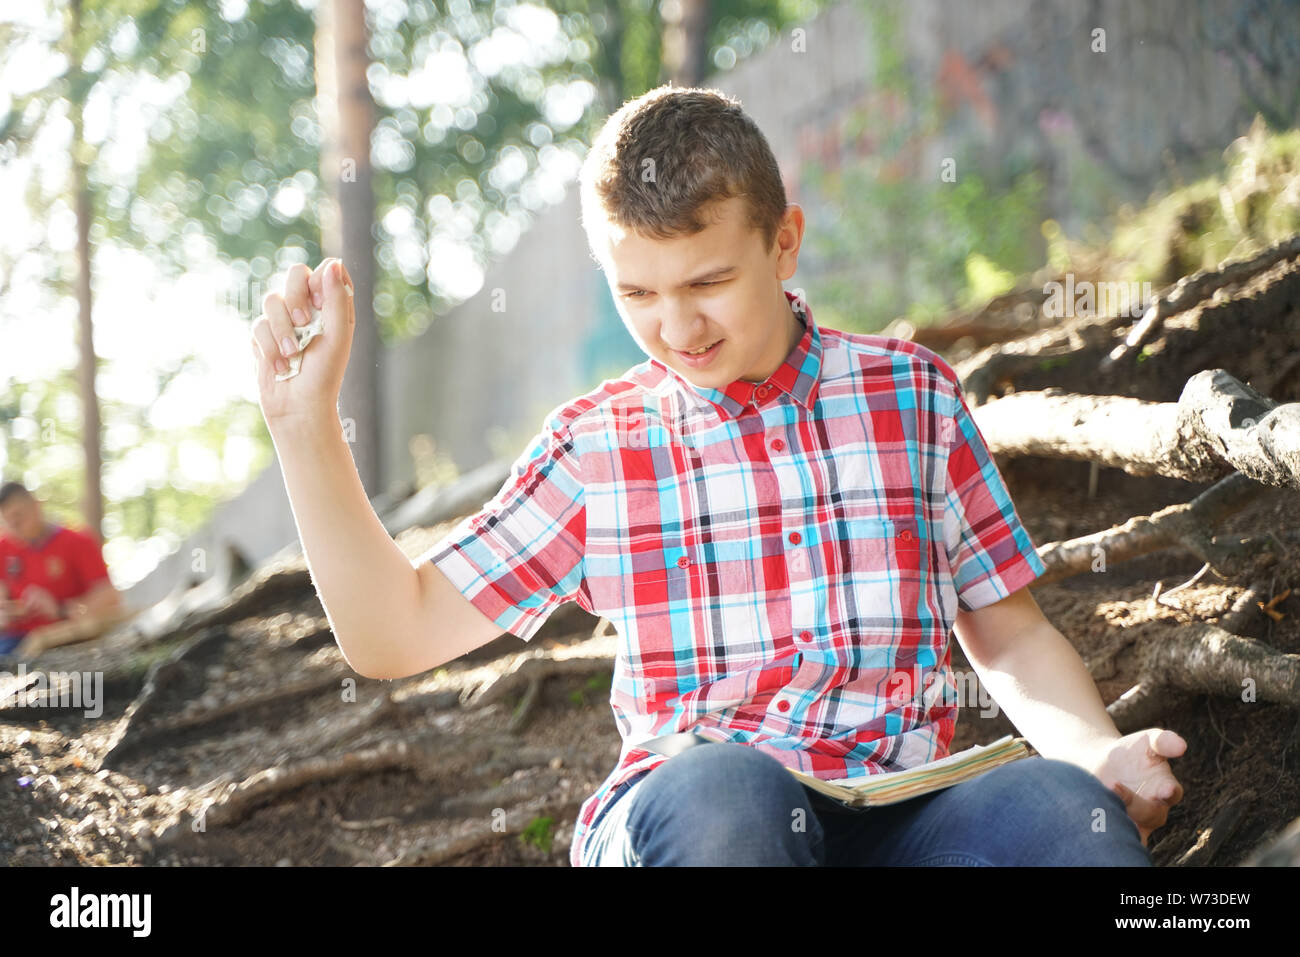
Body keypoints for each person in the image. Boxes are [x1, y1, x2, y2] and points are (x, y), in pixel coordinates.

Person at [249, 85, 1186, 868]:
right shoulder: (598, 447)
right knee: (729, 787)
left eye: (706, 283)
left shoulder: (916, 397)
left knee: (1065, 813)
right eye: (637, 294)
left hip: (904, 815)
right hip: (699, 822)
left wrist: (1096, 751)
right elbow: (392, 629)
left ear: (784, 243)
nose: (675, 327)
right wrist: (305, 430)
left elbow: (1010, 638)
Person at [0, 481, 124, 658]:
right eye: (8, 522)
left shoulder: (78, 541)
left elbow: (109, 596)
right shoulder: (3, 548)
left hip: (64, 639)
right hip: (12, 640)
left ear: (37, 506)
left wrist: (60, 609)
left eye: (19, 517)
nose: (15, 526)